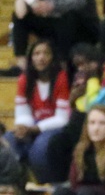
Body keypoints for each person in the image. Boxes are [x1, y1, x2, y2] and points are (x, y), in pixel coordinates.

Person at [45, 43, 105, 181]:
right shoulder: (83, 78)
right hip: (95, 128)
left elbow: (96, 107)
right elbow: (73, 110)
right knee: (58, 142)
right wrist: (74, 100)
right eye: (78, 66)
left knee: (79, 123)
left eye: (86, 63)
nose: (82, 68)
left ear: (96, 60)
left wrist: (83, 90)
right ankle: (63, 183)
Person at [3, 39, 70, 184]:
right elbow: (22, 113)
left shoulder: (61, 78)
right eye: (36, 53)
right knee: (8, 139)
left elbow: (62, 118)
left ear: (53, 57)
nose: (41, 57)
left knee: (40, 148)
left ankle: (46, 184)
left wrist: (34, 129)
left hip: (56, 126)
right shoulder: (24, 79)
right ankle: (14, 185)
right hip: (33, 125)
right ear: (30, 58)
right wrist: (22, 127)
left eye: (46, 53)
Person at [2, 0, 99, 77]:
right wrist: (22, 1)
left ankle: (62, 65)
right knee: (20, 15)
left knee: (69, 17)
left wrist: (52, 6)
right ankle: (22, 65)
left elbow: (78, 2)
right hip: (57, 24)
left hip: (83, 27)